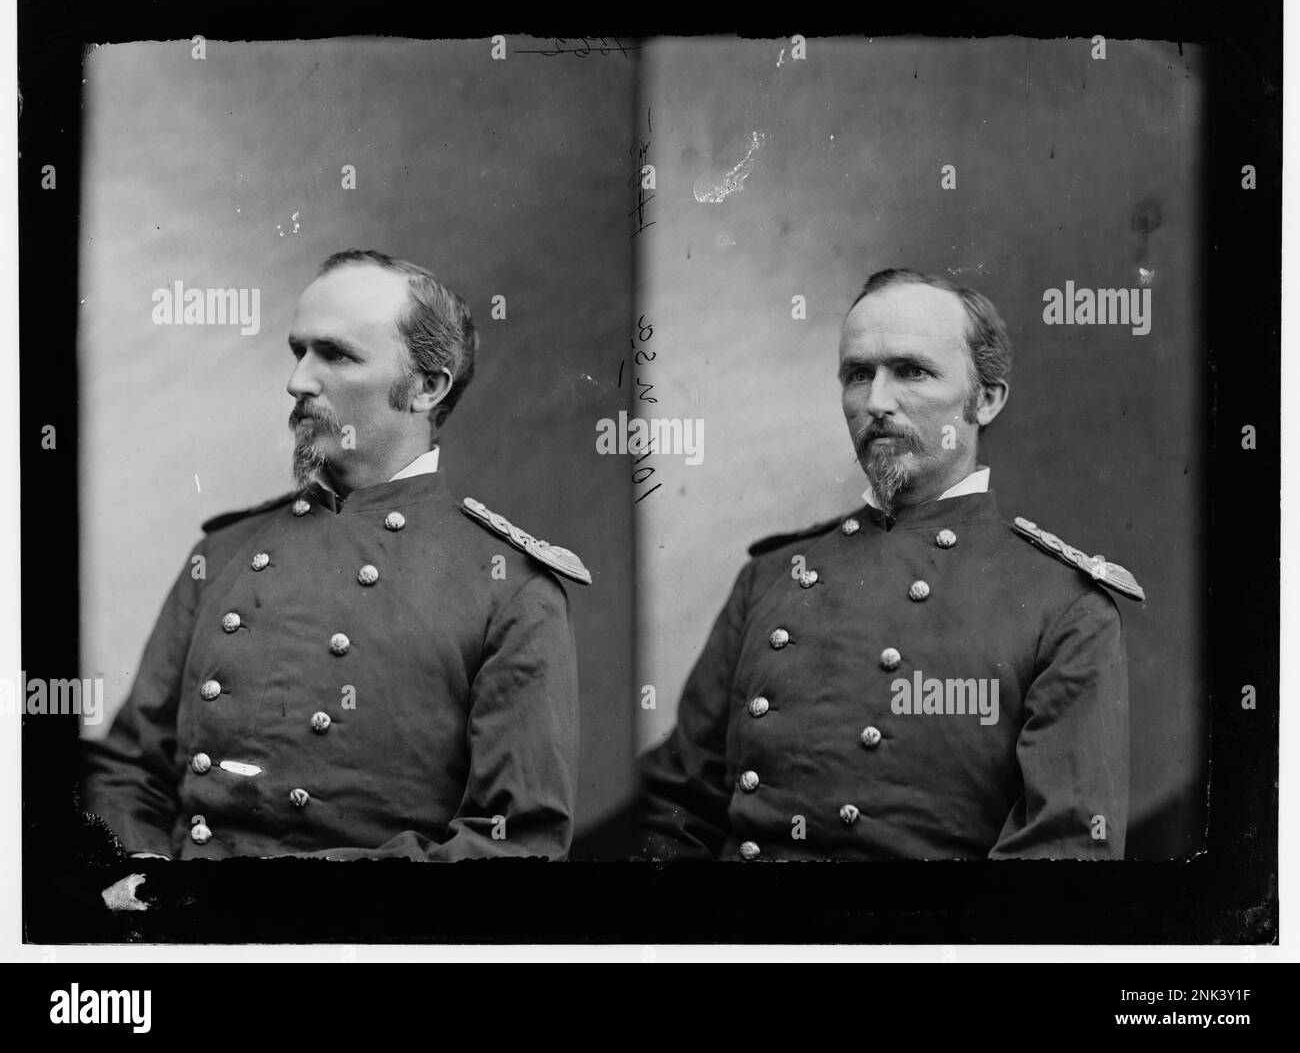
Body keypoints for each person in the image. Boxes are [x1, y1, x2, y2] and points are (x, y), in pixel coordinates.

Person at [82, 249, 588, 862]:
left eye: (336, 354)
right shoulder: (223, 553)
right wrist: (144, 872)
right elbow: (129, 767)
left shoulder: (509, 586)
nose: (297, 381)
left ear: (427, 387)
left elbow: (516, 843)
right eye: (298, 351)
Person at [638, 268, 1142, 862]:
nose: (876, 402)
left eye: (912, 372)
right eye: (858, 375)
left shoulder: (1065, 605)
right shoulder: (772, 576)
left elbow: (1065, 854)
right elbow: (671, 810)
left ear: (985, 399)